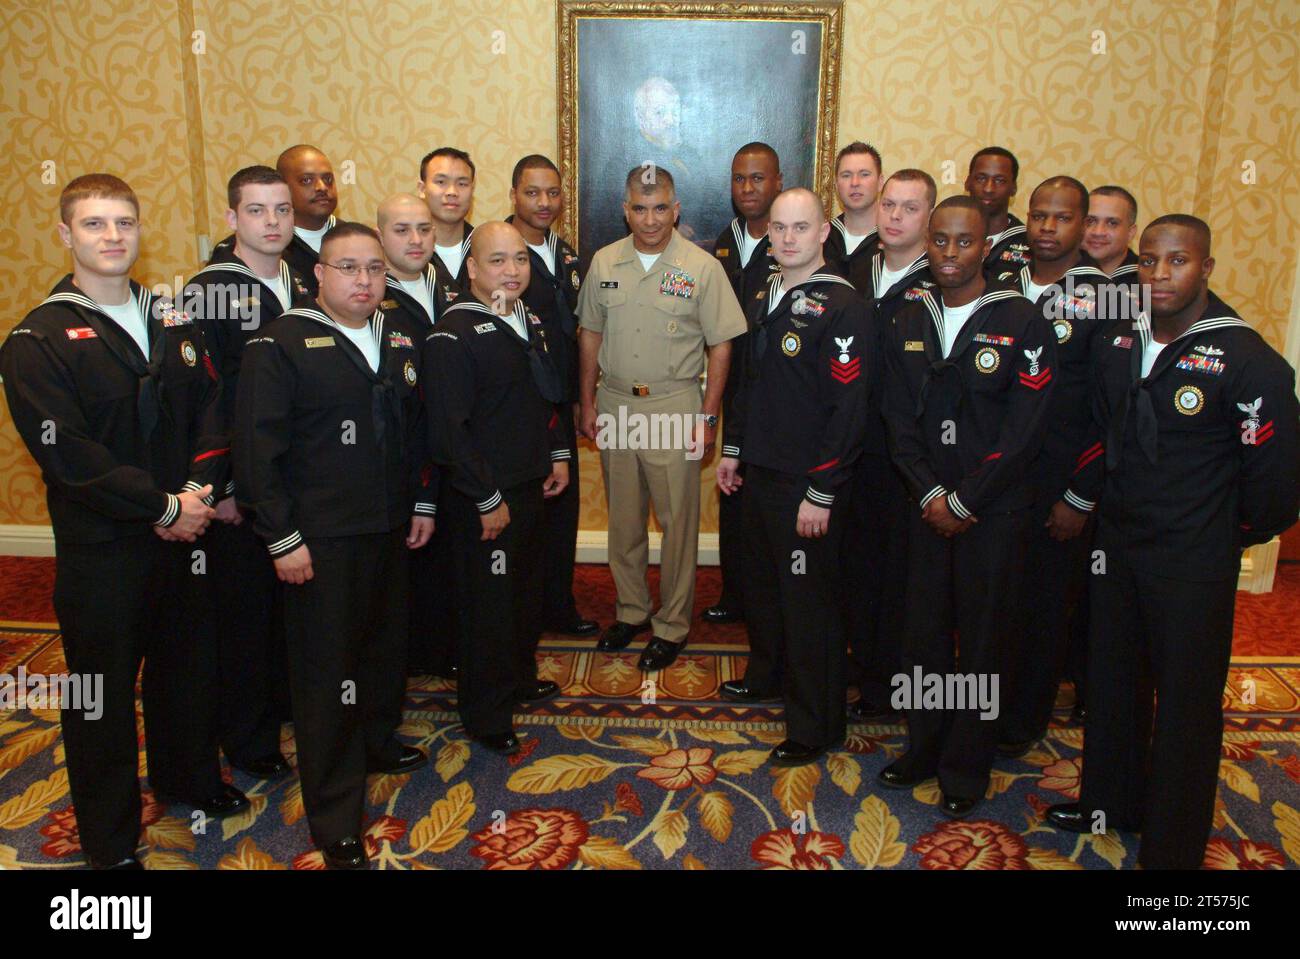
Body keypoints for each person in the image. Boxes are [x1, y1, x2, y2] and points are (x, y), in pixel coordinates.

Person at [0, 174, 244, 869]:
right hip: (104, 548)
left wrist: (197, 489)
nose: (113, 237)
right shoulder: (36, 338)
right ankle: (109, 839)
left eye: (125, 223)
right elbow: (68, 454)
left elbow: (210, 407)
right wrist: (161, 504)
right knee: (99, 696)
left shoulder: (171, 314)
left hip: (186, 531)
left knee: (186, 669)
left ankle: (188, 779)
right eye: (95, 224)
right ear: (64, 234)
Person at [1047, 215, 1299, 869]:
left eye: (1178, 261)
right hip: (1118, 545)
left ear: (1207, 268)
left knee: (1186, 706)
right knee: (1112, 684)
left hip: (1192, 562)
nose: (1159, 274)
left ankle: (1172, 845)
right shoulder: (1119, 339)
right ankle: (1109, 803)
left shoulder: (1248, 360)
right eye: (1150, 261)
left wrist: (1222, 535)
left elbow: (1276, 487)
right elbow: (1104, 428)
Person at [235, 222, 433, 869]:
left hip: (386, 530)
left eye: (375, 269)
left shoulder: (398, 335)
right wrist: (283, 538)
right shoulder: (281, 342)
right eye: (348, 268)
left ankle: (376, 740)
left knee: (380, 649)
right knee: (327, 678)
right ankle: (336, 816)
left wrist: (420, 502)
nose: (364, 280)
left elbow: (412, 431)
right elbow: (257, 453)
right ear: (317, 274)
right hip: (317, 542)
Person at [878, 196, 1057, 818]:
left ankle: (965, 763)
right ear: (928, 243)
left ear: (988, 247)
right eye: (941, 241)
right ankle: (923, 746)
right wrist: (931, 494)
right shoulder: (908, 314)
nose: (951, 254)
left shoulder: (1023, 320)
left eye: (964, 242)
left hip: (992, 512)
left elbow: (1025, 432)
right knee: (922, 636)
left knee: (981, 643)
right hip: (923, 507)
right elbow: (897, 416)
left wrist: (965, 499)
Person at [717, 189, 873, 765]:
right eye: (778, 228)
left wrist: (821, 491)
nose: (786, 238)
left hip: (806, 484)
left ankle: (815, 725)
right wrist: (733, 449)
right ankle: (767, 676)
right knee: (765, 590)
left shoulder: (844, 307)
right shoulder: (766, 292)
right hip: (759, 470)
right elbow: (751, 384)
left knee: (809, 605)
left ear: (823, 232)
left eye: (799, 228)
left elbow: (848, 409)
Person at [576, 165, 746, 670]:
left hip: (674, 405)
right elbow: (589, 334)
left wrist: (709, 417)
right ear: (625, 210)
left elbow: (721, 345)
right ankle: (631, 611)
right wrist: (586, 402)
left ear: (676, 210)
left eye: (660, 207)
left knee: (677, 523)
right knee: (623, 519)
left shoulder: (701, 267)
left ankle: (672, 624)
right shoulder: (605, 262)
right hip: (615, 403)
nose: (650, 218)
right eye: (639, 208)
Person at [422, 222, 571, 754]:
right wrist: (486, 496)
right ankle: (486, 713)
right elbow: (447, 430)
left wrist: (556, 454)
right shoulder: (453, 333)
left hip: (530, 481)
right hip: (485, 495)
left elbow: (543, 393)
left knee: (524, 592)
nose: (511, 271)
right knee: (488, 604)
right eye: (498, 261)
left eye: (521, 261)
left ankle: (519, 678)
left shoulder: (525, 317)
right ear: (472, 268)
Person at [185, 165, 312, 780]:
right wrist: (222, 487)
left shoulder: (304, 279)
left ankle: (285, 712)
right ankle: (248, 741)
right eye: (257, 211)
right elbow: (201, 399)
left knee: (289, 610)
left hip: (297, 478)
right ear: (233, 218)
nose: (272, 222)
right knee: (242, 620)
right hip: (238, 491)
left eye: (282, 210)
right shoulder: (207, 291)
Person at [993, 176, 1112, 754]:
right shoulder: (1000, 281)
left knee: (1041, 610)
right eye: (1038, 215)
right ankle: (981, 711)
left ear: (1083, 225)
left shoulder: (1107, 298)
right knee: (995, 603)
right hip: (995, 481)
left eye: (1062, 218)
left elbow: (1110, 414)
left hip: (1057, 484)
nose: (1046, 227)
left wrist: (1081, 496)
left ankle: (1022, 722)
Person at [840, 169, 936, 722]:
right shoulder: (855, 271)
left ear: (929, 217)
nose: (896, 217)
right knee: (857, 567)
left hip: (907, 456)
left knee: (900, 577)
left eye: (910, 208)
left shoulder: (940, 282)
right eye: (889, 205)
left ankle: (890, 687)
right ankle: (862, 661)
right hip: (853, 448)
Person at [507, 155, 597, 637]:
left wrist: (583, 400)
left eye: (553, 193)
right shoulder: (500, 254)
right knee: (526, 516)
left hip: (560, 404)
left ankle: (556, 607)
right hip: (519, 412)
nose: (544, 203)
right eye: (532, 192)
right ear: (513, 196)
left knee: (562, 512)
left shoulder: (566, 256)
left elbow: (580, 332)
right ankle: (520, 619)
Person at [705, 142, 783, 626]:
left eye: (758, 178)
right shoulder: (725, 240)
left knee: (768, 497)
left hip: (778, 391)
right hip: (732, 387)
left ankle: (768, 597)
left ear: (778, 181)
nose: (748, 188)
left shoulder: (793, 239)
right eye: (739, 179)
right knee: (731, 489)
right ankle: (735, 592)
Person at [418, 147, 476, 310]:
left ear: (472, 191)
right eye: (441, 182)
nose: (452, 192)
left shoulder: (486, 247)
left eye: (462, 184)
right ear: (422, 189)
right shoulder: (405, 249)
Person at [824, 141, 883, 289]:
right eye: (846, 175)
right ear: (836, 186)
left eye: (864, 174)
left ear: (880, 182)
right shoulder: (821, 238)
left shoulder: (894, 240)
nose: (855, 182)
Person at [966, 146, 1029, 278]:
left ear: (1014, 188)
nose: (989, 188)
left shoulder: (1030, 243)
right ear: (967, 183)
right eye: (981, 178)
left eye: (999, 180)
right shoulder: (944, 237)